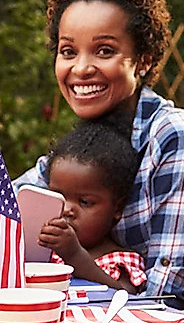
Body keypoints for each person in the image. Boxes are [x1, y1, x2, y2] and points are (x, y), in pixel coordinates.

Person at [18, 0, 184, 323]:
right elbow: (2, 210)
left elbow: (169, 300)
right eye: (68, 52)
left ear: (143, 60)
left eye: (104, 51)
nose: (81, 68)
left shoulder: (179, 139)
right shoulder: (74, 152)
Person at [38, 121, 147, 293]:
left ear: (117, 209)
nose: (67, 210)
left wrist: (74, 255)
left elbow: (126, 298)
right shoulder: (46, 253)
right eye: (59, 197)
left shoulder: (121, 260)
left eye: (85, 202)